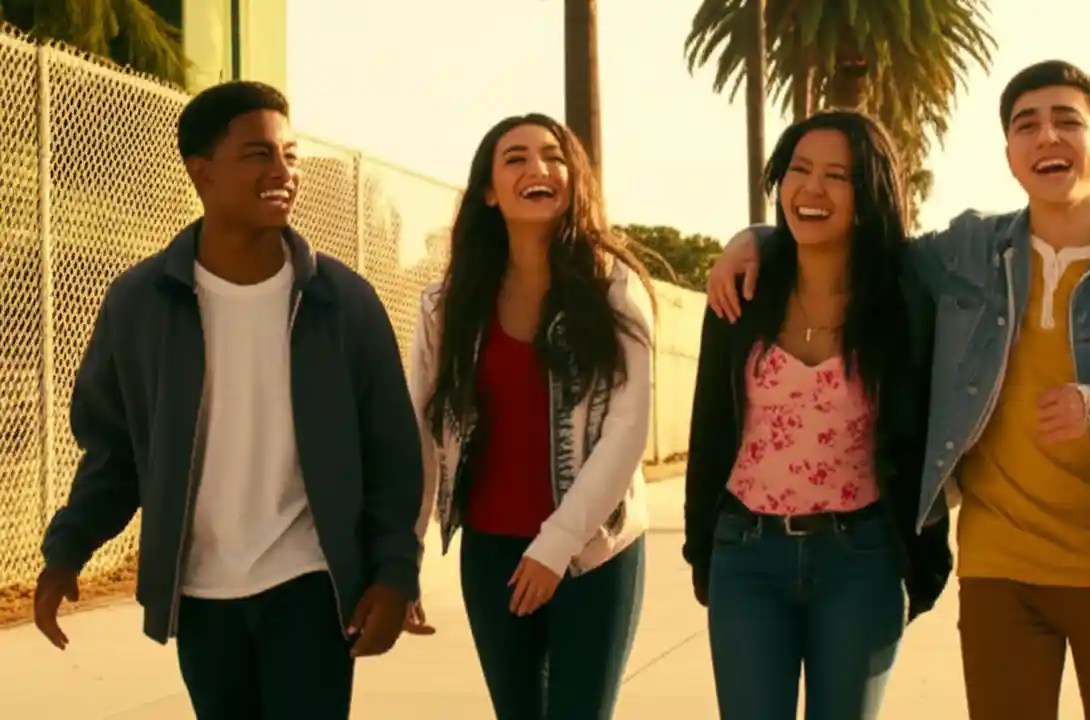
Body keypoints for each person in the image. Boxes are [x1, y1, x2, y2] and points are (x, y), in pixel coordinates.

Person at [705, 60, 1090, 720]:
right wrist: (756, 237)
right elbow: (859, 237)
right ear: (1010, 156)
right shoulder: (966, 252)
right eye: (1027, 125)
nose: (1046, 136)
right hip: (999, 567)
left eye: (1067, 121)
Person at [33, 81, 424, 719]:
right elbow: (115, 451)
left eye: (290, 155)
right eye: (259, 155)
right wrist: (67, 549)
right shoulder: (139, 305)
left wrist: (393, 572)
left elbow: (392, 455)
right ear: (202, 173)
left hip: (310, 584)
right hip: (201, 595)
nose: (283, 172)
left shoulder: (341, 303)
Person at [685, 110, 950, 720]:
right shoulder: (743, 291)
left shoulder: (907, 299)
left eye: (838, 175)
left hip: (861, 558)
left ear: (870, 194)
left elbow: (920, 436)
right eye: (799, 170)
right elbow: (709, 429)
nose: (812, 188)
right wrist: (703, 547)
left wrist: (924, 559)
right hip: (746, 554)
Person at [407, 113, 655, 720]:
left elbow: (628, 427)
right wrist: (404, 552)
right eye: (515, 158)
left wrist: (557, 545)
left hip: (594, 550)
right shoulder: (447, 306)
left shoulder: (615, 290)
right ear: (489, 191)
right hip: (491, 551)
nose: (538, 169)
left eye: (553, 156)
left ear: (575, 180)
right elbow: (419, 432)